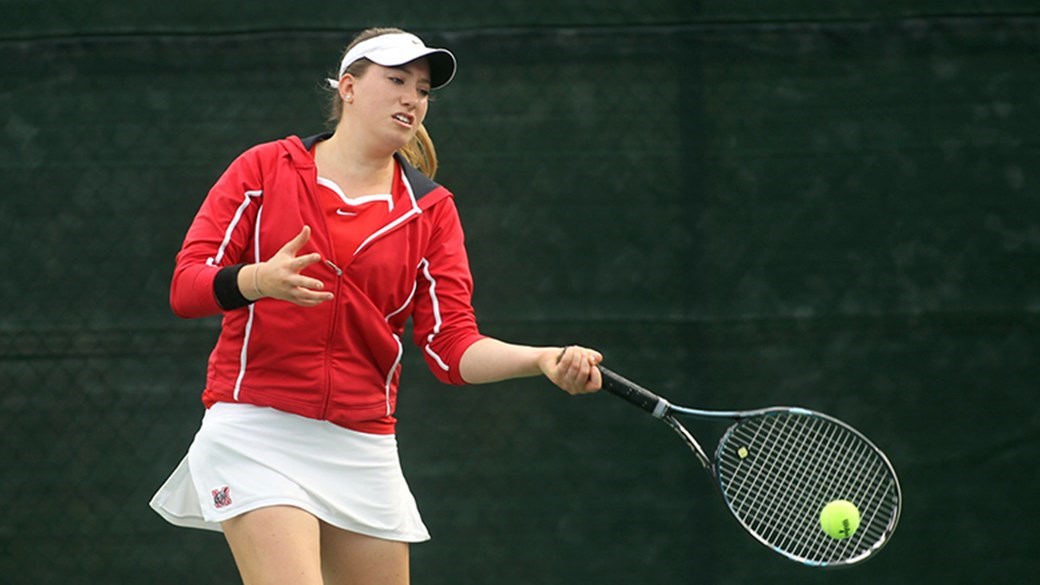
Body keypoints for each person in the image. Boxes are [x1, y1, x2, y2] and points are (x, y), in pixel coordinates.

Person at [149, 27, 603, 585]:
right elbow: (187, 287)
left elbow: (451, 347)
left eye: (423, 89)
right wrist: (257, 280)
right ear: (348, 88)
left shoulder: (431, 210)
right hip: (255, 428)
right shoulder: (263, 170)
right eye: (395, 80)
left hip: (363, 442)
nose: (412, 97)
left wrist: (540, 359)